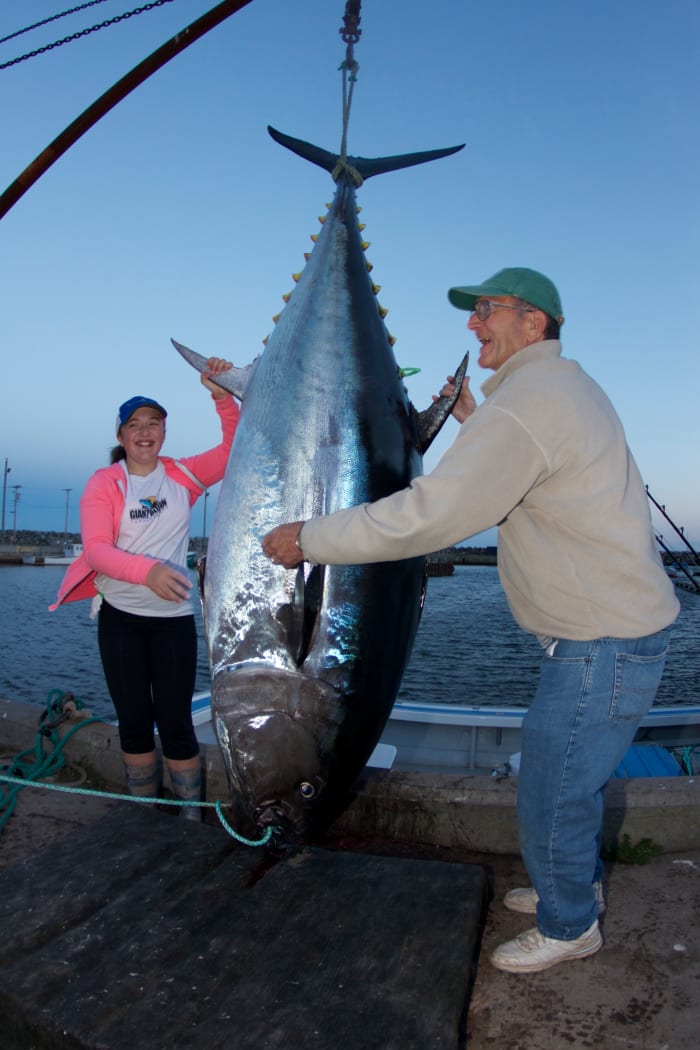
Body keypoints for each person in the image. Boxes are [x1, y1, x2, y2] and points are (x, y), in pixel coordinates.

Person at [260, 267, 680, 973]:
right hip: (612, 631)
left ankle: (571, 922)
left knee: (554, 787)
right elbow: (536, 458)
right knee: (566, 781)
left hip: (603, 640)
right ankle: (566, 886)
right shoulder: (555, 389)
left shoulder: (528, 406)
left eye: (488, 310)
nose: (472, 324)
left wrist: (312, 538)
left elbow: (435, 513)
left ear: (534, 323)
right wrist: (474, 423)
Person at [51, 358, 239, 821]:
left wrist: (221, 396)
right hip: (121, 620)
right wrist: (148, 572)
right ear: (121, 436)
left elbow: (237, 451)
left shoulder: (183, 477)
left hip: (172, 622)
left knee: (176, 723)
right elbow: (96, 550)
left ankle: (189, 819)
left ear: (164, 433)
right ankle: (144, 816)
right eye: (134, 424)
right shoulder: (104, 483)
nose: (144, 431)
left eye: (154, 423)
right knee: (134, 721)